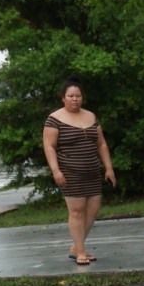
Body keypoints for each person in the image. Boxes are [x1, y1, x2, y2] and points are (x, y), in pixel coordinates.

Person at [42, 80, 116, 265]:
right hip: (70, 171)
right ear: (63, 98)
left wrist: (109, 168)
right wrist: (56, 170)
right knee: (76, 211)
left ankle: (77, 246)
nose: (74, 99)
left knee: (92, 210)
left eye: (78, 96)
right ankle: (81, 252)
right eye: (70, 96)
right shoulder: (54, 119)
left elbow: (101, 143)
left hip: (92, 171)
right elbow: (49, 146)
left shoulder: (91, 116)